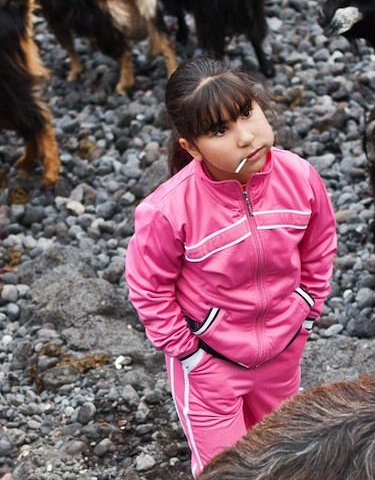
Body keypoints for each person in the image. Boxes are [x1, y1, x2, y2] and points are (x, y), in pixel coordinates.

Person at [124, 57, 337, 477]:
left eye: (246, 113)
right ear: (190, 147)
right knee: (225, 470)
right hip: (210, 366)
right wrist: (189, 355)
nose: (246, 137)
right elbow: (148, 289)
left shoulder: (301, 177)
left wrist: (306, 311)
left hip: (282, 351)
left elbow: (319, 244)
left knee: (283, 459)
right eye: (220, 130)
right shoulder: (167, 210)